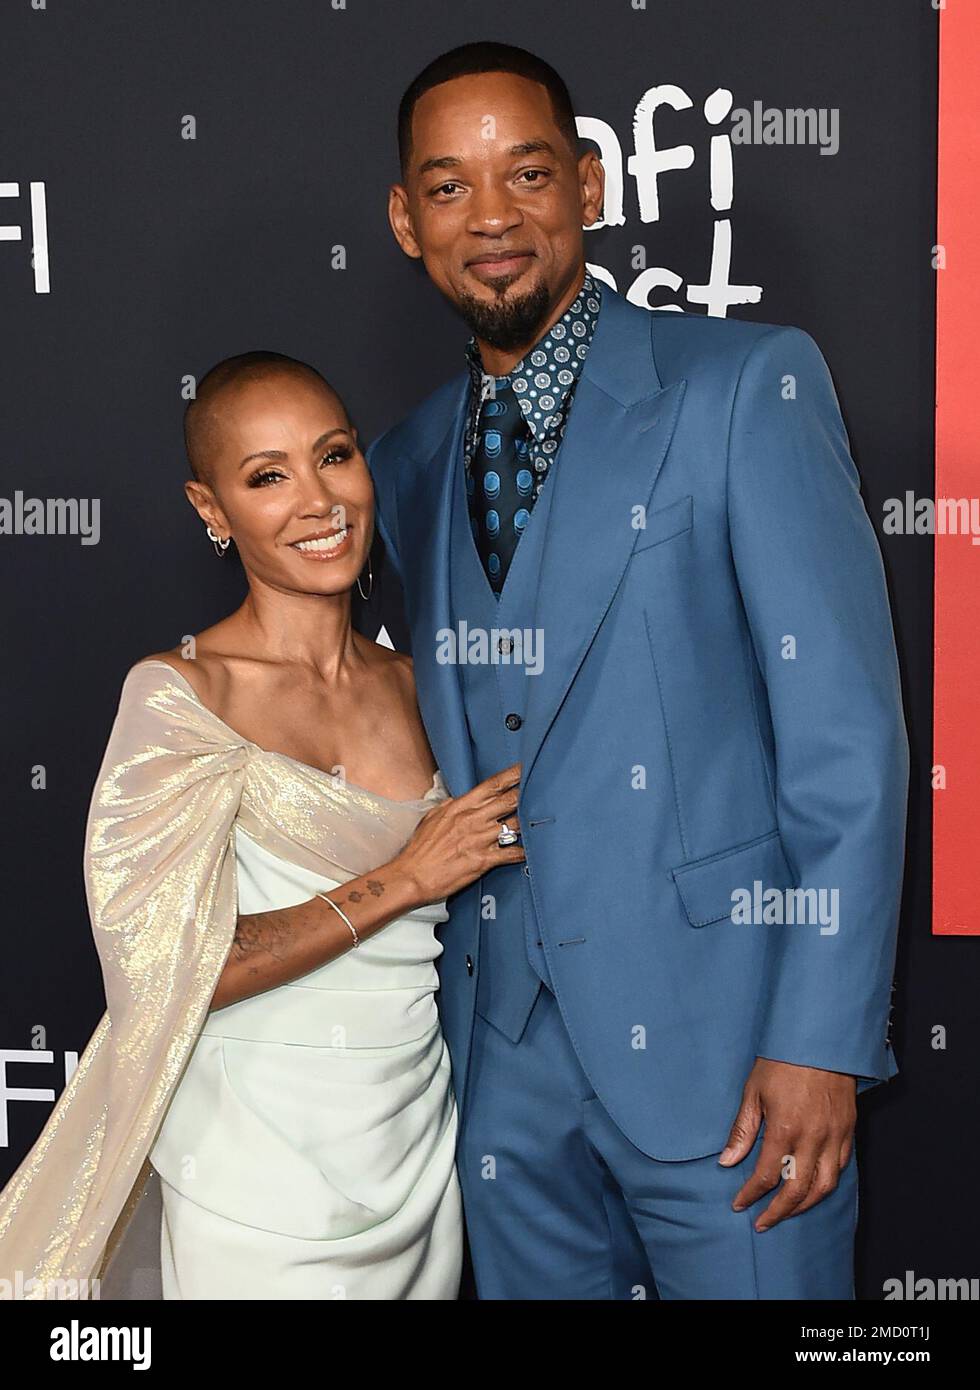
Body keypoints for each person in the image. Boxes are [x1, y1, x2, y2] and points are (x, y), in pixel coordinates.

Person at [364, 41, 908, 1298]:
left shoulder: (740, 386)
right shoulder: (401, 463)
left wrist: (819, 1039)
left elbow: (845, 743)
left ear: (592, 187)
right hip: (501, 1085)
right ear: (403, 222)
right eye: (446, 187)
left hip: (734, 1071)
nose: (489, 217)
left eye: (528, 173)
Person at [0, 351, 524, 1300]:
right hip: (256, 1166)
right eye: (268, 476)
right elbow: (169, 968)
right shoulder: (185, 694)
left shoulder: (423, 689)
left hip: (414, 1141)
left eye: (335, 456)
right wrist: (406, 877)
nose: (319, 500)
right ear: (212, 510)